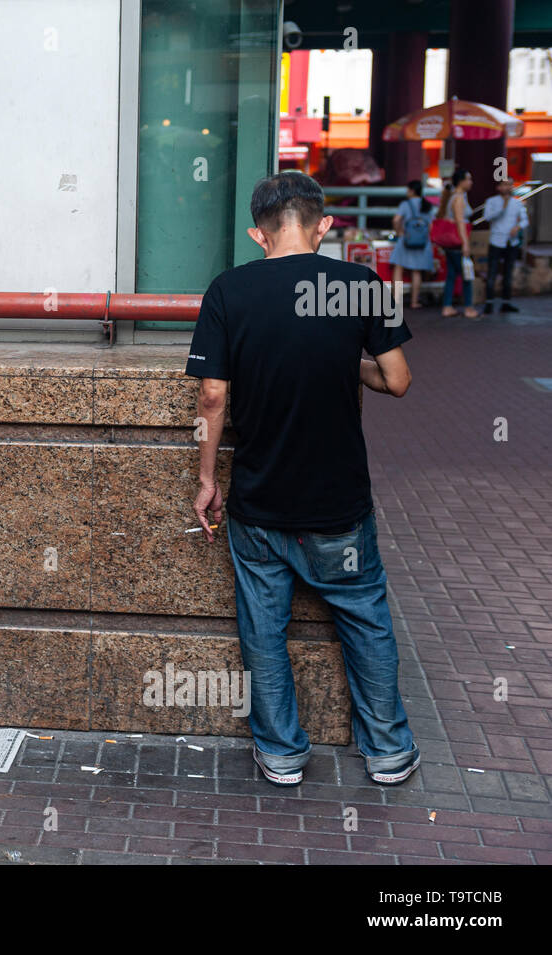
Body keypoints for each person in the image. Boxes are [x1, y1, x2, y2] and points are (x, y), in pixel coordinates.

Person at [185, 171, 420, 788]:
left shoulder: (229, 291)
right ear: (324, 226)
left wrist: (207, 478)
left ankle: (284, 754)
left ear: (256, 235)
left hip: (260, 503)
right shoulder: (362, 286)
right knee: (366, 620)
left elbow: (212, 395)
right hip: (339, 504)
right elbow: (397, 380)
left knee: (264, 629)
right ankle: (389, 752)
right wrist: (350, 366)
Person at [482, 175, 528, 314]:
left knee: (508, 273)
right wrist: (502, 207)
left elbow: (525, 220)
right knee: (492, 273)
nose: (507, 187)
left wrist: (518, 227)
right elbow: (488, 217)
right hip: (496, 241)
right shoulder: (491, 202)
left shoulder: (518, 203)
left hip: (511, 242)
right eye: (505, 184)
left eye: (510, 185)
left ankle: (506, 303)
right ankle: (489, 303)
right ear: (498, 187)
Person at [389, 179, 434, 309]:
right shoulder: (427, 205)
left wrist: (400, 232)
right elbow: (430, 226)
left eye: (408, 190)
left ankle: (396, 302)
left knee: (398, 268)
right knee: (416, 272)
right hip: (422, 242)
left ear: (412, 190)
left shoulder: (405, 204)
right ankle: (414, 302)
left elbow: (396, 220)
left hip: (406, 240)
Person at [440, 168, 478, 319]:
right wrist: (465, 243)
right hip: (458, 242)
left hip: (451, 243)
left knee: (451, 275)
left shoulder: (453, 197)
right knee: (467, 275)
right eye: (469, 179)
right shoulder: (459, 198)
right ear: (461, 181)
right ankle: (468, 307)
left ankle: (447, 306)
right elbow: (460, 222)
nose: (471, 182)